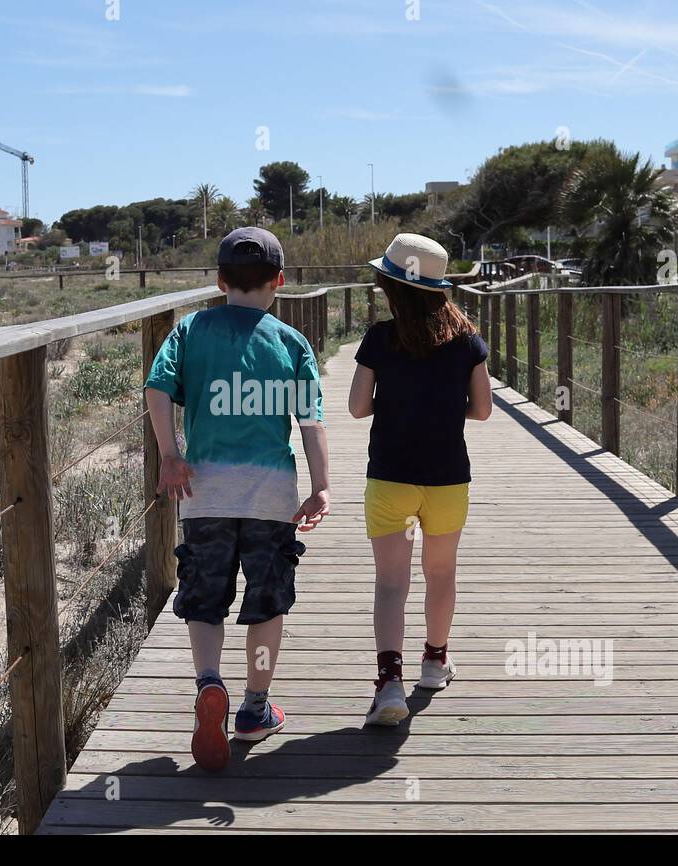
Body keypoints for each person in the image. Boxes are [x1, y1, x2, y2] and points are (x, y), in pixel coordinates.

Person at [144, 226, 331, 771]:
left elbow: (157, 388)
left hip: (202, 493)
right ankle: (253, 707)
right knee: (266, 600)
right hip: (271, 496)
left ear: (220, 280)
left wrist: (170, 454)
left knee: (205, 597)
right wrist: (322, 485)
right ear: (279, 280)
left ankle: (209, 684)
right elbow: (311, 420)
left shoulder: (190, 330)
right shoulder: (291, 343)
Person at [348, 233, 493, 726]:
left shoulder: (379, 339)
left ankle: (389, 683)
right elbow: (484, 410)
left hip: (390, 476)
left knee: (391, 583)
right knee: (441, 572)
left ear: (390, 286)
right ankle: (435, 661)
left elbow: (356, 407)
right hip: (448, 478)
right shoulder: (468, 342)